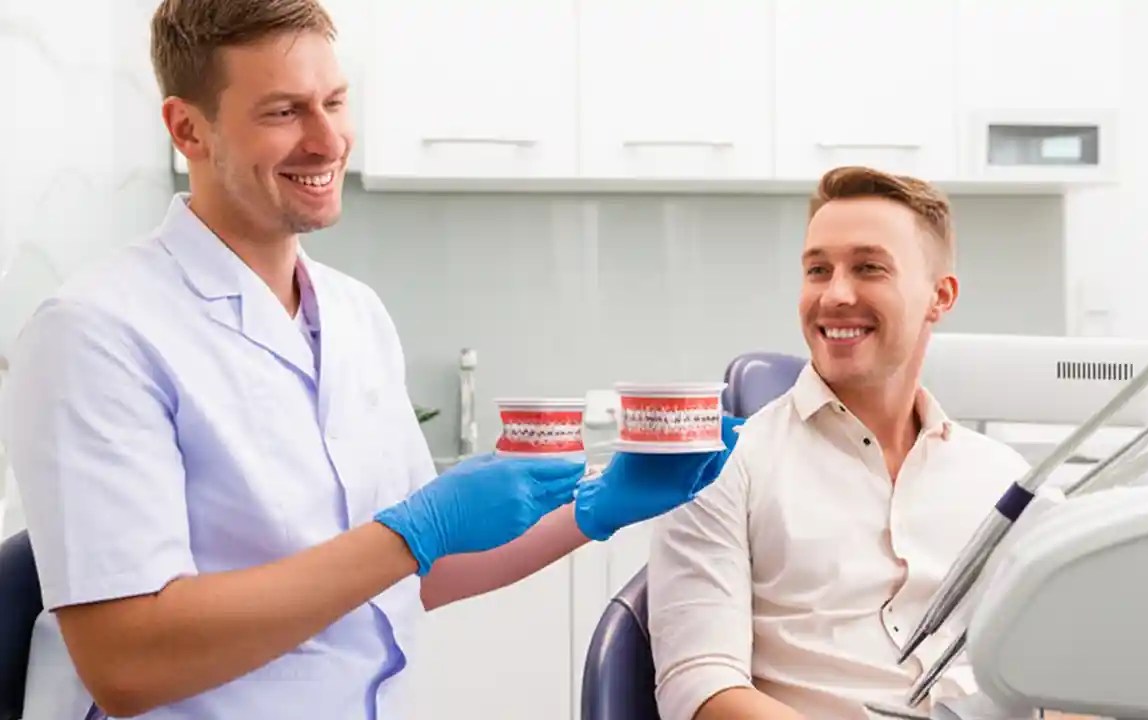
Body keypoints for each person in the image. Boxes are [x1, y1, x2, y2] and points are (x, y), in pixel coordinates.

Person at [0, 1, 739, 718]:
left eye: (335, 101)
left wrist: (601, 503)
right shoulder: (96, 333)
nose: (327, 141)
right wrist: (409, 533)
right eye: (284, 112)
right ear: (187, 129)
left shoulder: (354, 315)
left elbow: (417, 569)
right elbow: (127, 663)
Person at [646, 166, 1037, 720]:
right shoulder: (723, 467)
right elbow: (700, 690)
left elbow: (1068, 667)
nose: (835, 294)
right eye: (817, 270)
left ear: (939, 296)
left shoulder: (1005, 481)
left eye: (869, 268)